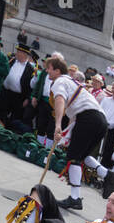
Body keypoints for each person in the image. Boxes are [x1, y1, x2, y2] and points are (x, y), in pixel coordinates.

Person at [45, 55, 110, 210]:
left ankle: (75, 198)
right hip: (100, 120)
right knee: (82, 155)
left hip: (88, 118)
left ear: (57, 70)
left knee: (73, 157)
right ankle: (108, 175)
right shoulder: (73, 82)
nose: (47, 70)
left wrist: (58, 125)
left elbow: (60, 100)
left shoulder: (59, 81)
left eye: (49, 68)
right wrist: (67, 133)